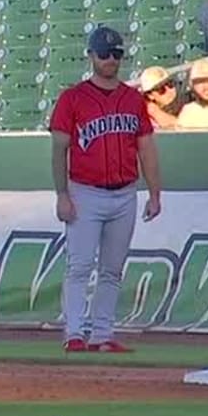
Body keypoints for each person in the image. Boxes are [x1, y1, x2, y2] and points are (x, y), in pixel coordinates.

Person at [48, 26, 162, 354]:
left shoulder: (133, 99)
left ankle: (102, 334)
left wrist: (155, 192)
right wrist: (61, 194)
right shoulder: (72, 98)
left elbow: (147, 148)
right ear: (91, 55)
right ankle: (74, 332)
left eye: (116, 54)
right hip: (85, 190)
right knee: (80, 266)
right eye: (104, 53)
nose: (111, 60)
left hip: (125, 191)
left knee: (112, 269)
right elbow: (59, 149)